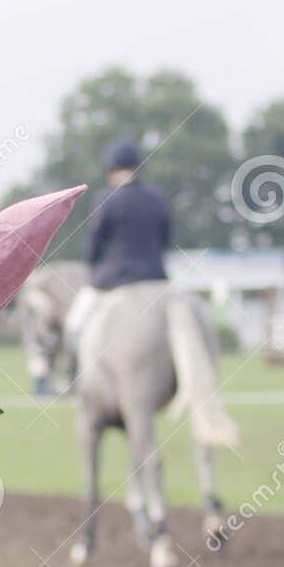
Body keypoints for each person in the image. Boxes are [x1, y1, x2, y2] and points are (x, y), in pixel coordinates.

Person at [61, 139, 172, 390]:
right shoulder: (158, 198)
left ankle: (72, 380)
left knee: (74, 324)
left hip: (113, 281)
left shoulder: (106, 199)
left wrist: (92, 266)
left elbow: (93, 246)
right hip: (156, 279)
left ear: (111, 170)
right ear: (138, 168)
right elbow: (165, 240)